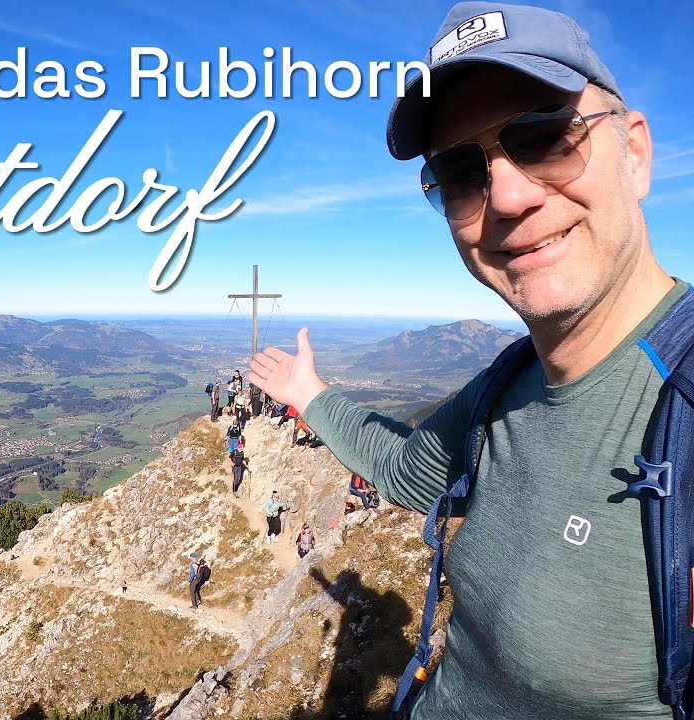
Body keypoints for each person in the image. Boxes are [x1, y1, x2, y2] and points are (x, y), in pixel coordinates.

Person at [248, 4, 688, 718]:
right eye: (460, 170)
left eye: (545, 137)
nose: (507, 197)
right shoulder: (508, 383)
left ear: (634, 152)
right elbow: (404, 469)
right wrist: (311, 392)